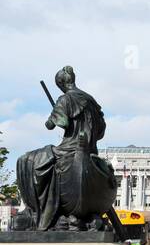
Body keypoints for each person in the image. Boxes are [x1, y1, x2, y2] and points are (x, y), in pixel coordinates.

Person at [16, 66, 117, 230]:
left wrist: (52, 116)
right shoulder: (91, 100)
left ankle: (36, 212)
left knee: (25, 160)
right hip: (90, 152)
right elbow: (100, 132)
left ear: (61, 84)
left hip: (69, 150)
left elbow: (58, 123)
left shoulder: (65, 99)